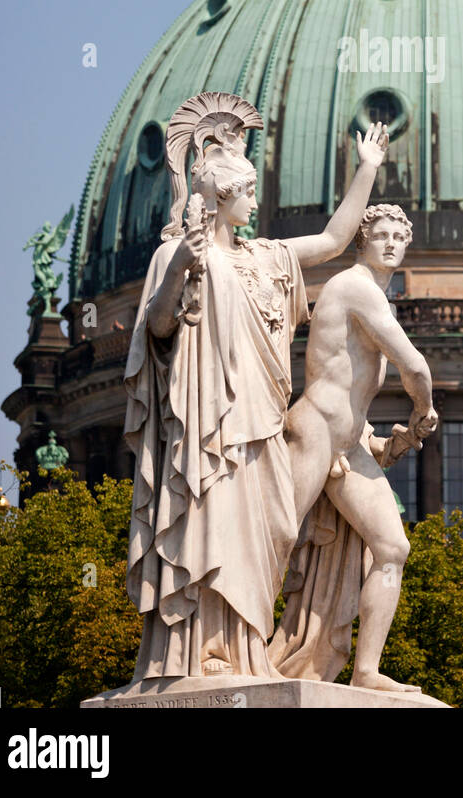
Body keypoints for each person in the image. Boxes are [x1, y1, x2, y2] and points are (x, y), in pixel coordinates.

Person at [124, 91, 388, 681]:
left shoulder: (269, 258)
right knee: (209, 527)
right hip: (207, 423)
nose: (255, 200)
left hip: (264, 420)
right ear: (221, 197)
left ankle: (245, 651)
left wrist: (367, 169)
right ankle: (201, 652)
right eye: (246, 191)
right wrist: (178, 272)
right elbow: (161, 329)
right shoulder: (177, 253)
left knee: (265, 534)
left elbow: (333, 242)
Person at [270, 203, 437, 692]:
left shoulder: (374, 297)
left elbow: (354, 400)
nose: (390, 243)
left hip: (347, 441)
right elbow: (416, 366)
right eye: (380, 234)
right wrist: (423, 409)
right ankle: (238, 646)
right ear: (362, 241)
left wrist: (382, 441)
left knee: (393, 547)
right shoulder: (353, 287)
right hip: (314, 431)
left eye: (398, 236)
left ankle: (365, 671)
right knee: (277, 541)